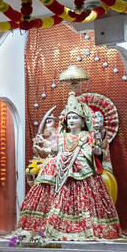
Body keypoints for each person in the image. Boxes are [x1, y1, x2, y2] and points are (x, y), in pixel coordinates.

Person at [16, 92, 119, 240]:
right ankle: (45, 223)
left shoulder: (88, 136)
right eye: (69, 117)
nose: (71, 120)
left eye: (75, 117)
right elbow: (53, 150)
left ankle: (81, 224)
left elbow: (97, 150)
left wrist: (97, 150)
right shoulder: (61, 136)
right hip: (59, 167)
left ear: (83, 122)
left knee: (78, 172)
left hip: (81, 169)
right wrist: (42, 144)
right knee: (50, 165)